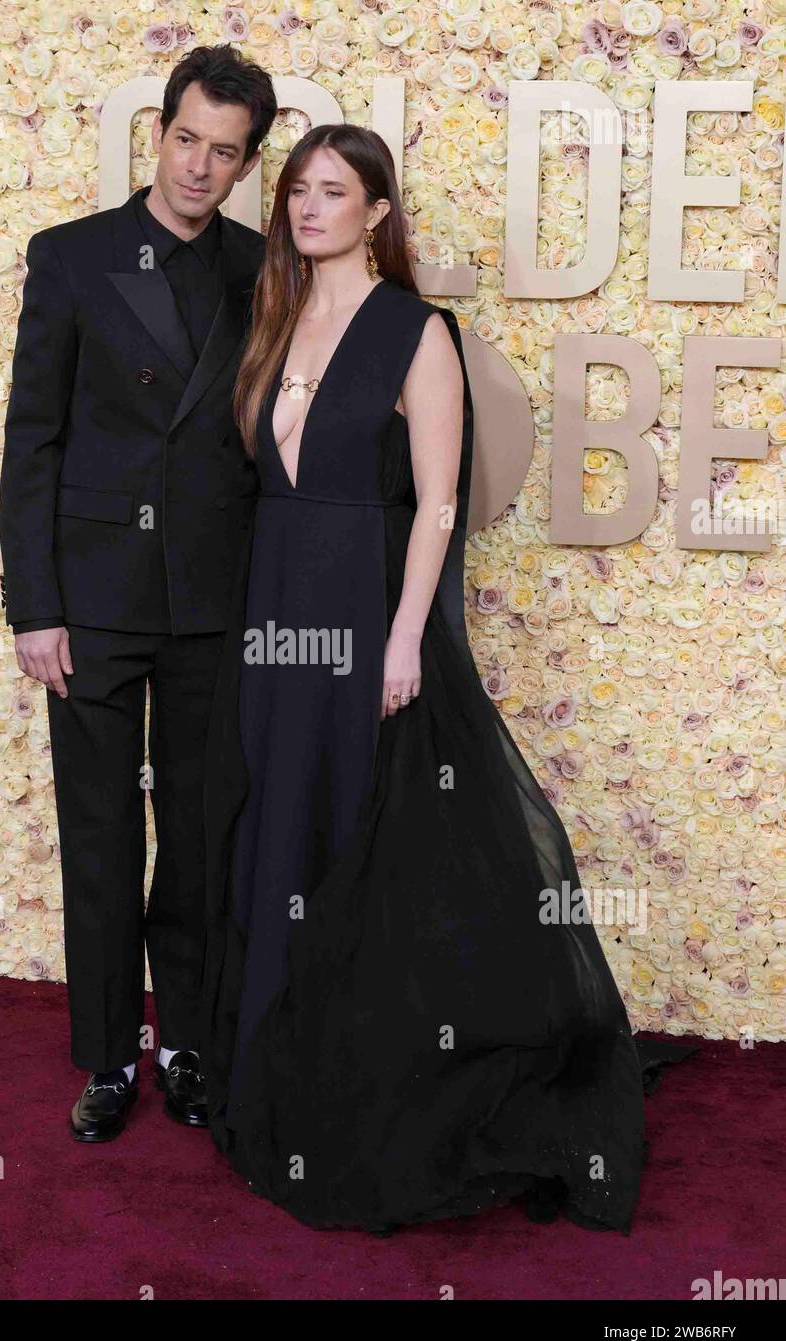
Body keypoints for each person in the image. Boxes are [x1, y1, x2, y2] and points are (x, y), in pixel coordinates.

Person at [200, 123, 692, 1234]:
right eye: (295, 191)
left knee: (357, 838)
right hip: (274, 606)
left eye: (334, 192)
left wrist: (407, 636)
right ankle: (266, 1066)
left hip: (364, 608)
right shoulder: (272, 316)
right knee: (276, 822)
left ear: (379, 211)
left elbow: (435, 502)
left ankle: (352, 1082)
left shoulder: (416, 333)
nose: (307, 208)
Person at [0, 46, 276, 1140]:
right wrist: (35, 607)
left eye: (225, 152)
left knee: (204, 835)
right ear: (155, 134)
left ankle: (191, 1046)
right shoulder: (69, 258)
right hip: (96, 602)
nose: (200, 167)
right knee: (102, 835)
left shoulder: (266, 269)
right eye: (187, 140)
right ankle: (112, 1056)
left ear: (247, 161)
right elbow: (35, 439)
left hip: (217, 601)